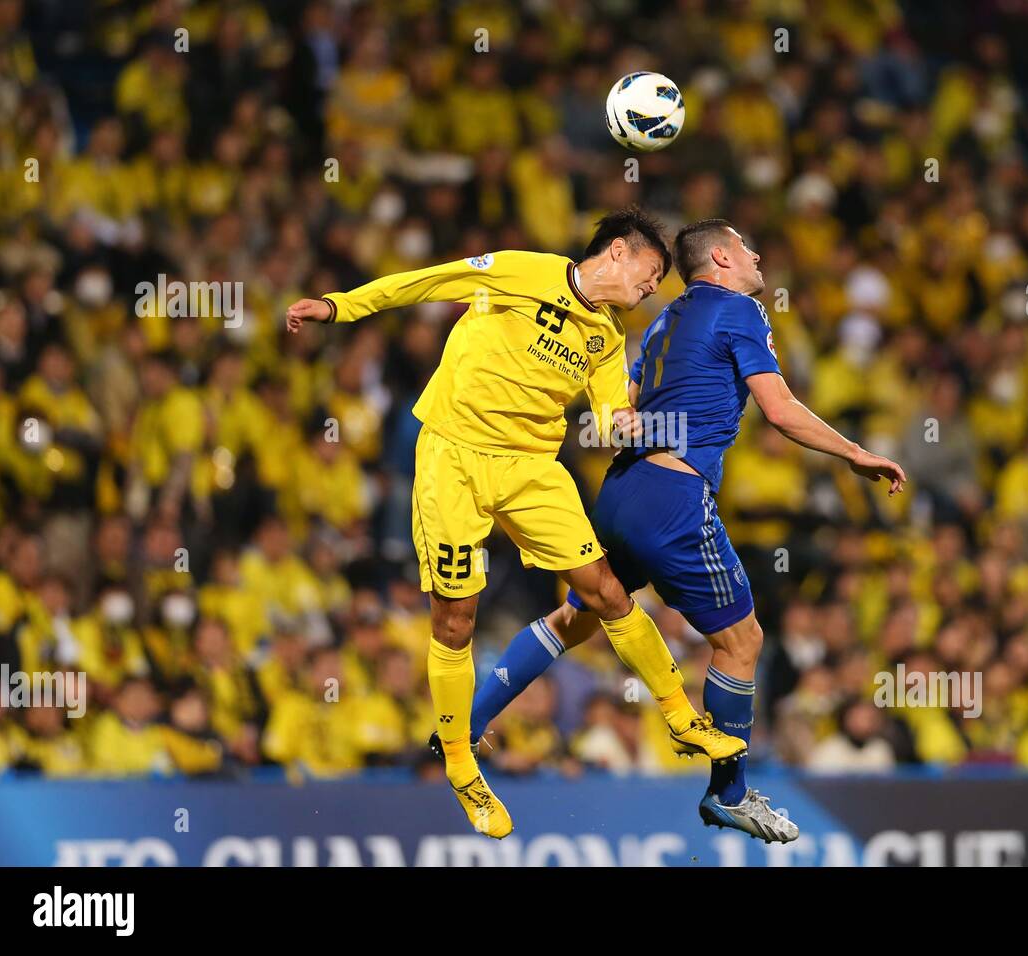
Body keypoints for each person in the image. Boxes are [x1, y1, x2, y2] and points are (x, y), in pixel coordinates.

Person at [284, 207, 746, 838]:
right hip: (453, 455)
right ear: (617, 251)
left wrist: (625, 425)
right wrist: (340, 307)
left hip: (532, 469)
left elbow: (611, 413)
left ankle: (680, 717)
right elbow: (426, 281)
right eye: (651, 270)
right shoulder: (522, 271)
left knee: (606, 591)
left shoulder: (606, 338)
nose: (652, 286)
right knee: (455, 618)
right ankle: (459, 763)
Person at [464, 219, 906, 842]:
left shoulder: (666, 319)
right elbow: (779, 410)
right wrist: (854, 452)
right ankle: (730, 793)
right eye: (747, 246)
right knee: (743, 641)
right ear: (722, 259)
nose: (757, 255)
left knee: (580, 616)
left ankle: (462, 726)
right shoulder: (742, 309)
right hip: (672, 498)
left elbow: (632, 399)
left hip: (621, 490)